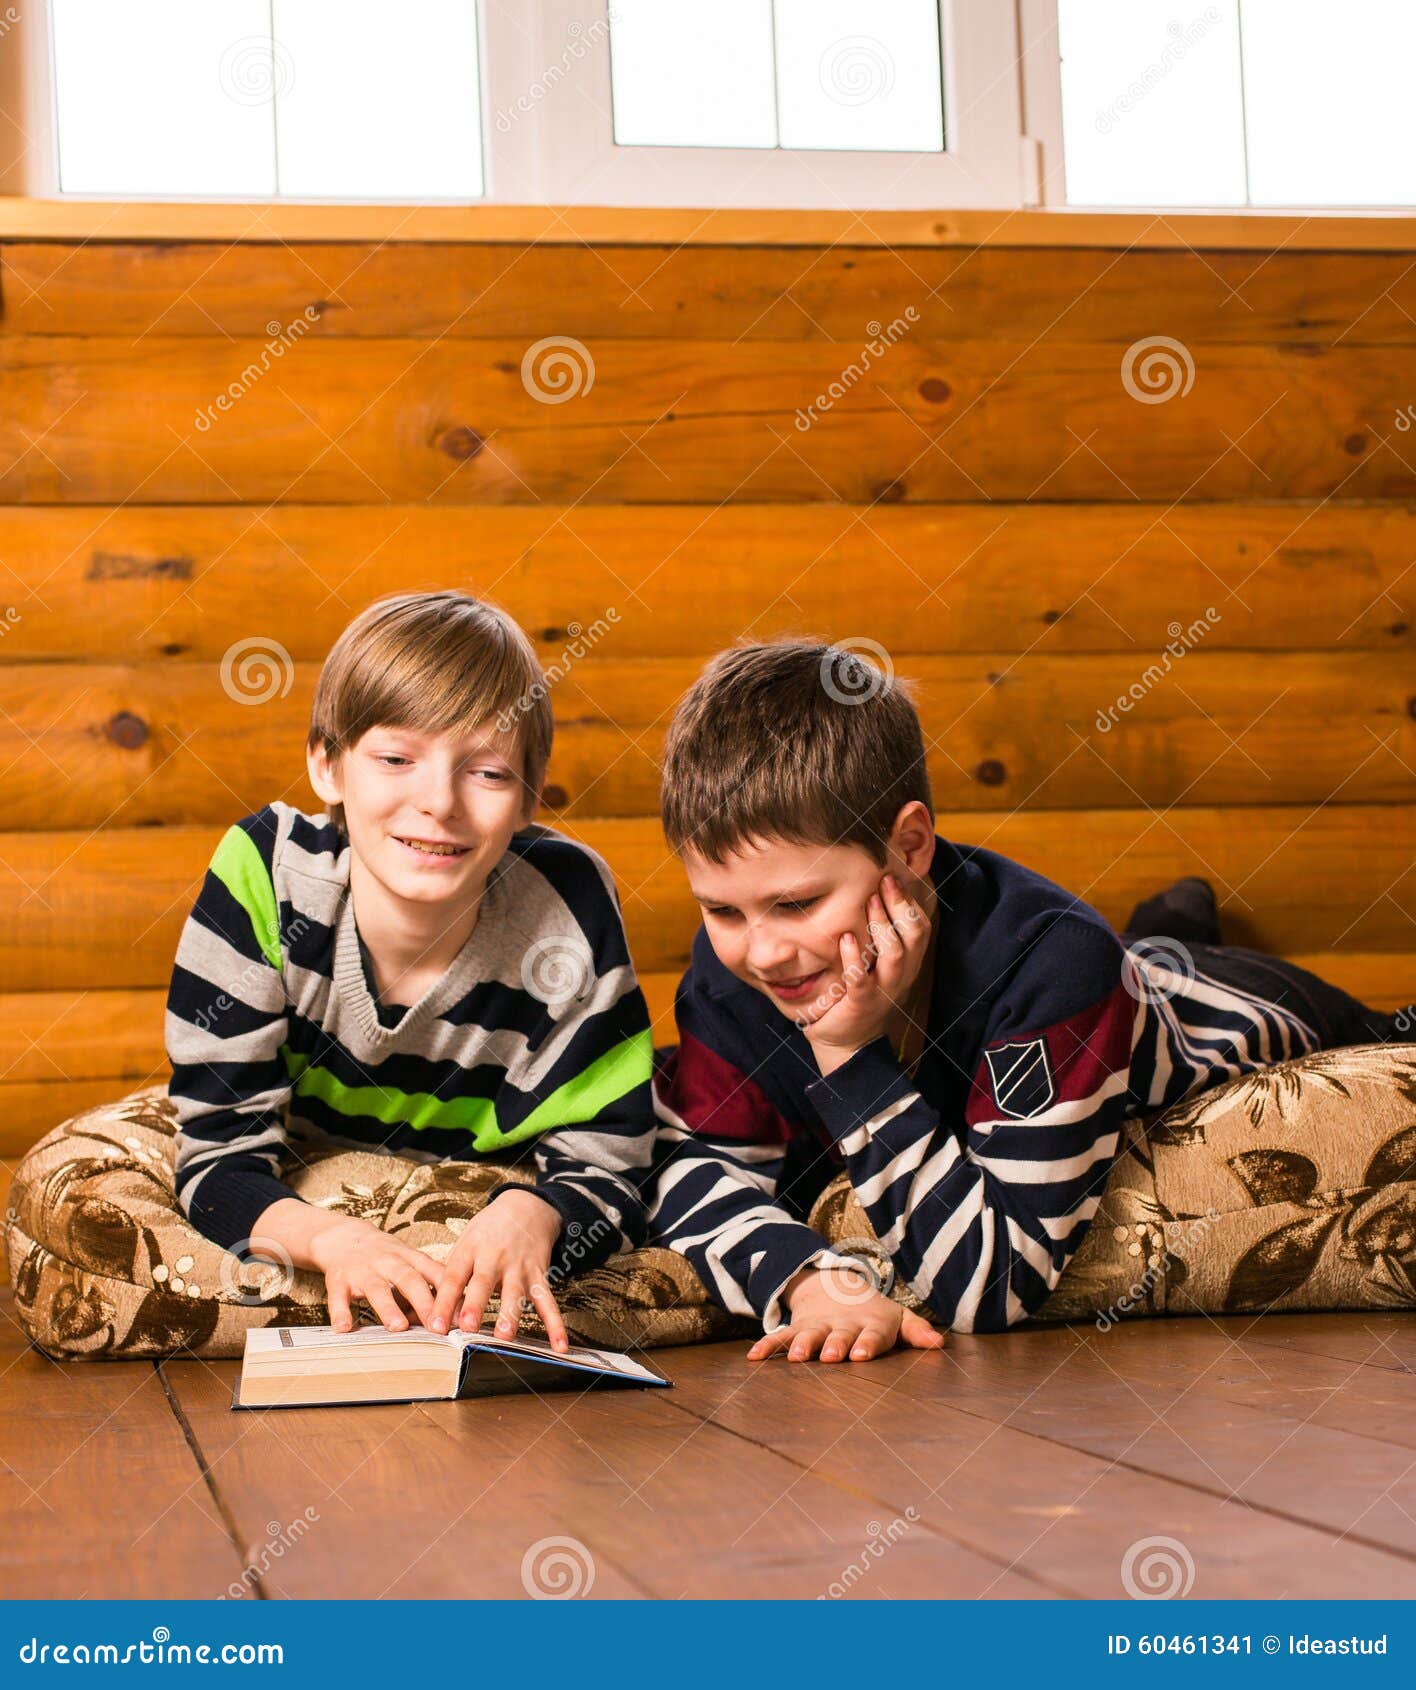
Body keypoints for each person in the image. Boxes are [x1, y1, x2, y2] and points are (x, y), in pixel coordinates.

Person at [647, 639, 1401, 1362]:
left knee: (1234, 983)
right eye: (721, 911)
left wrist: (847, 1056)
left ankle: (1174, 926)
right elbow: (687, 1169)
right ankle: (1167, 919)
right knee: (1150, 942)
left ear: (910, 848)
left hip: (1224, 1006)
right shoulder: (733, 975)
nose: (763, 952)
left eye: (797, 903)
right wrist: (806, 1282)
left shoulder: (1055, 964)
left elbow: (994, 1285)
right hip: (1116, 976)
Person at [166, 590, 655, 1351]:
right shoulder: (264, 873)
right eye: (396, 759)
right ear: (326, 765)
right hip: (303, 1165)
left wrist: (534, 1212)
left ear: (528, 796)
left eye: (487, 773)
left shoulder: (567, 905)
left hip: (481, 1180)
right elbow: (218, 1157)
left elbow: (611, 1159)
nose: (438, 804)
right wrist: (330, 1240)